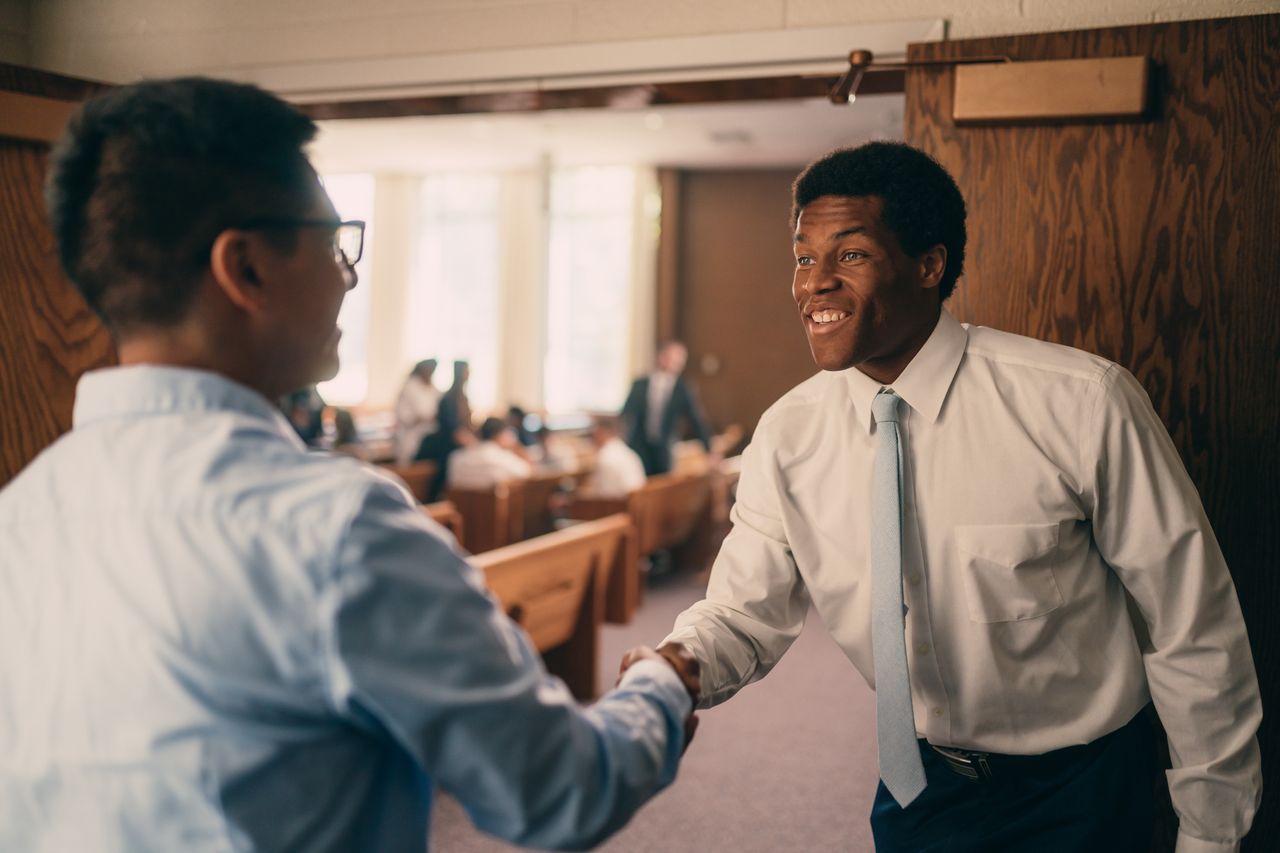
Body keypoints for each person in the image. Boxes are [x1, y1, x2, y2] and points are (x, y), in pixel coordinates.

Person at [0, 76, 701, 853]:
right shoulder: (338, 526)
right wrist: (660, 687)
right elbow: (561, 790)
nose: (348, 274)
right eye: (334, 241)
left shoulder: (22, 512)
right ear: (249, 268)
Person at [621, 142, 1261, 852]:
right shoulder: (788, 435)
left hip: (1088, 788)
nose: (815, 284)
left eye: (851, 255)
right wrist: (678, 665)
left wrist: (1211, 830)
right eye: (804, 258)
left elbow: (1191, 622)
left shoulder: (1082, 403)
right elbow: (746, 610)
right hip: (918, 787)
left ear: (929, 264)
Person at [621, 340, 714, 475]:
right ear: (661, 357)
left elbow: (697, 421)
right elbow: (626, 415)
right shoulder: (640, 384)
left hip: (664, 449)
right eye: (674, 357)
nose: (679, 362)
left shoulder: (683, 389)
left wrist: (709, 450)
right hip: (639, 445)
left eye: (682, 358)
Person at [416, 359, 472, 500]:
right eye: (466, 372)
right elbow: (451, 428)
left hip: (460, 445)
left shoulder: (463, 398)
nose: (468, 375)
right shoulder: (448, 399)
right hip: (445, 447)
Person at [446, 417, 533, 490]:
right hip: (492, 509)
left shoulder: (456, 457)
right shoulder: (500, 457)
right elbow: (527, 472)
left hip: (459, 508)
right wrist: (517, 447)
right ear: (499, 434)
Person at [581, 414, 647, 499]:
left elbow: (605, 495)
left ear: (600, 432)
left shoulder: (605, 456)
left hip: (620, 506)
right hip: (638, 502)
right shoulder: (626, 451)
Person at [393, 358, 440, 465]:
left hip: (430, 435)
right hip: (412, 437)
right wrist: (421, 417)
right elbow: (404, 416)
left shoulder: (433, 388)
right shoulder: (409, 387)